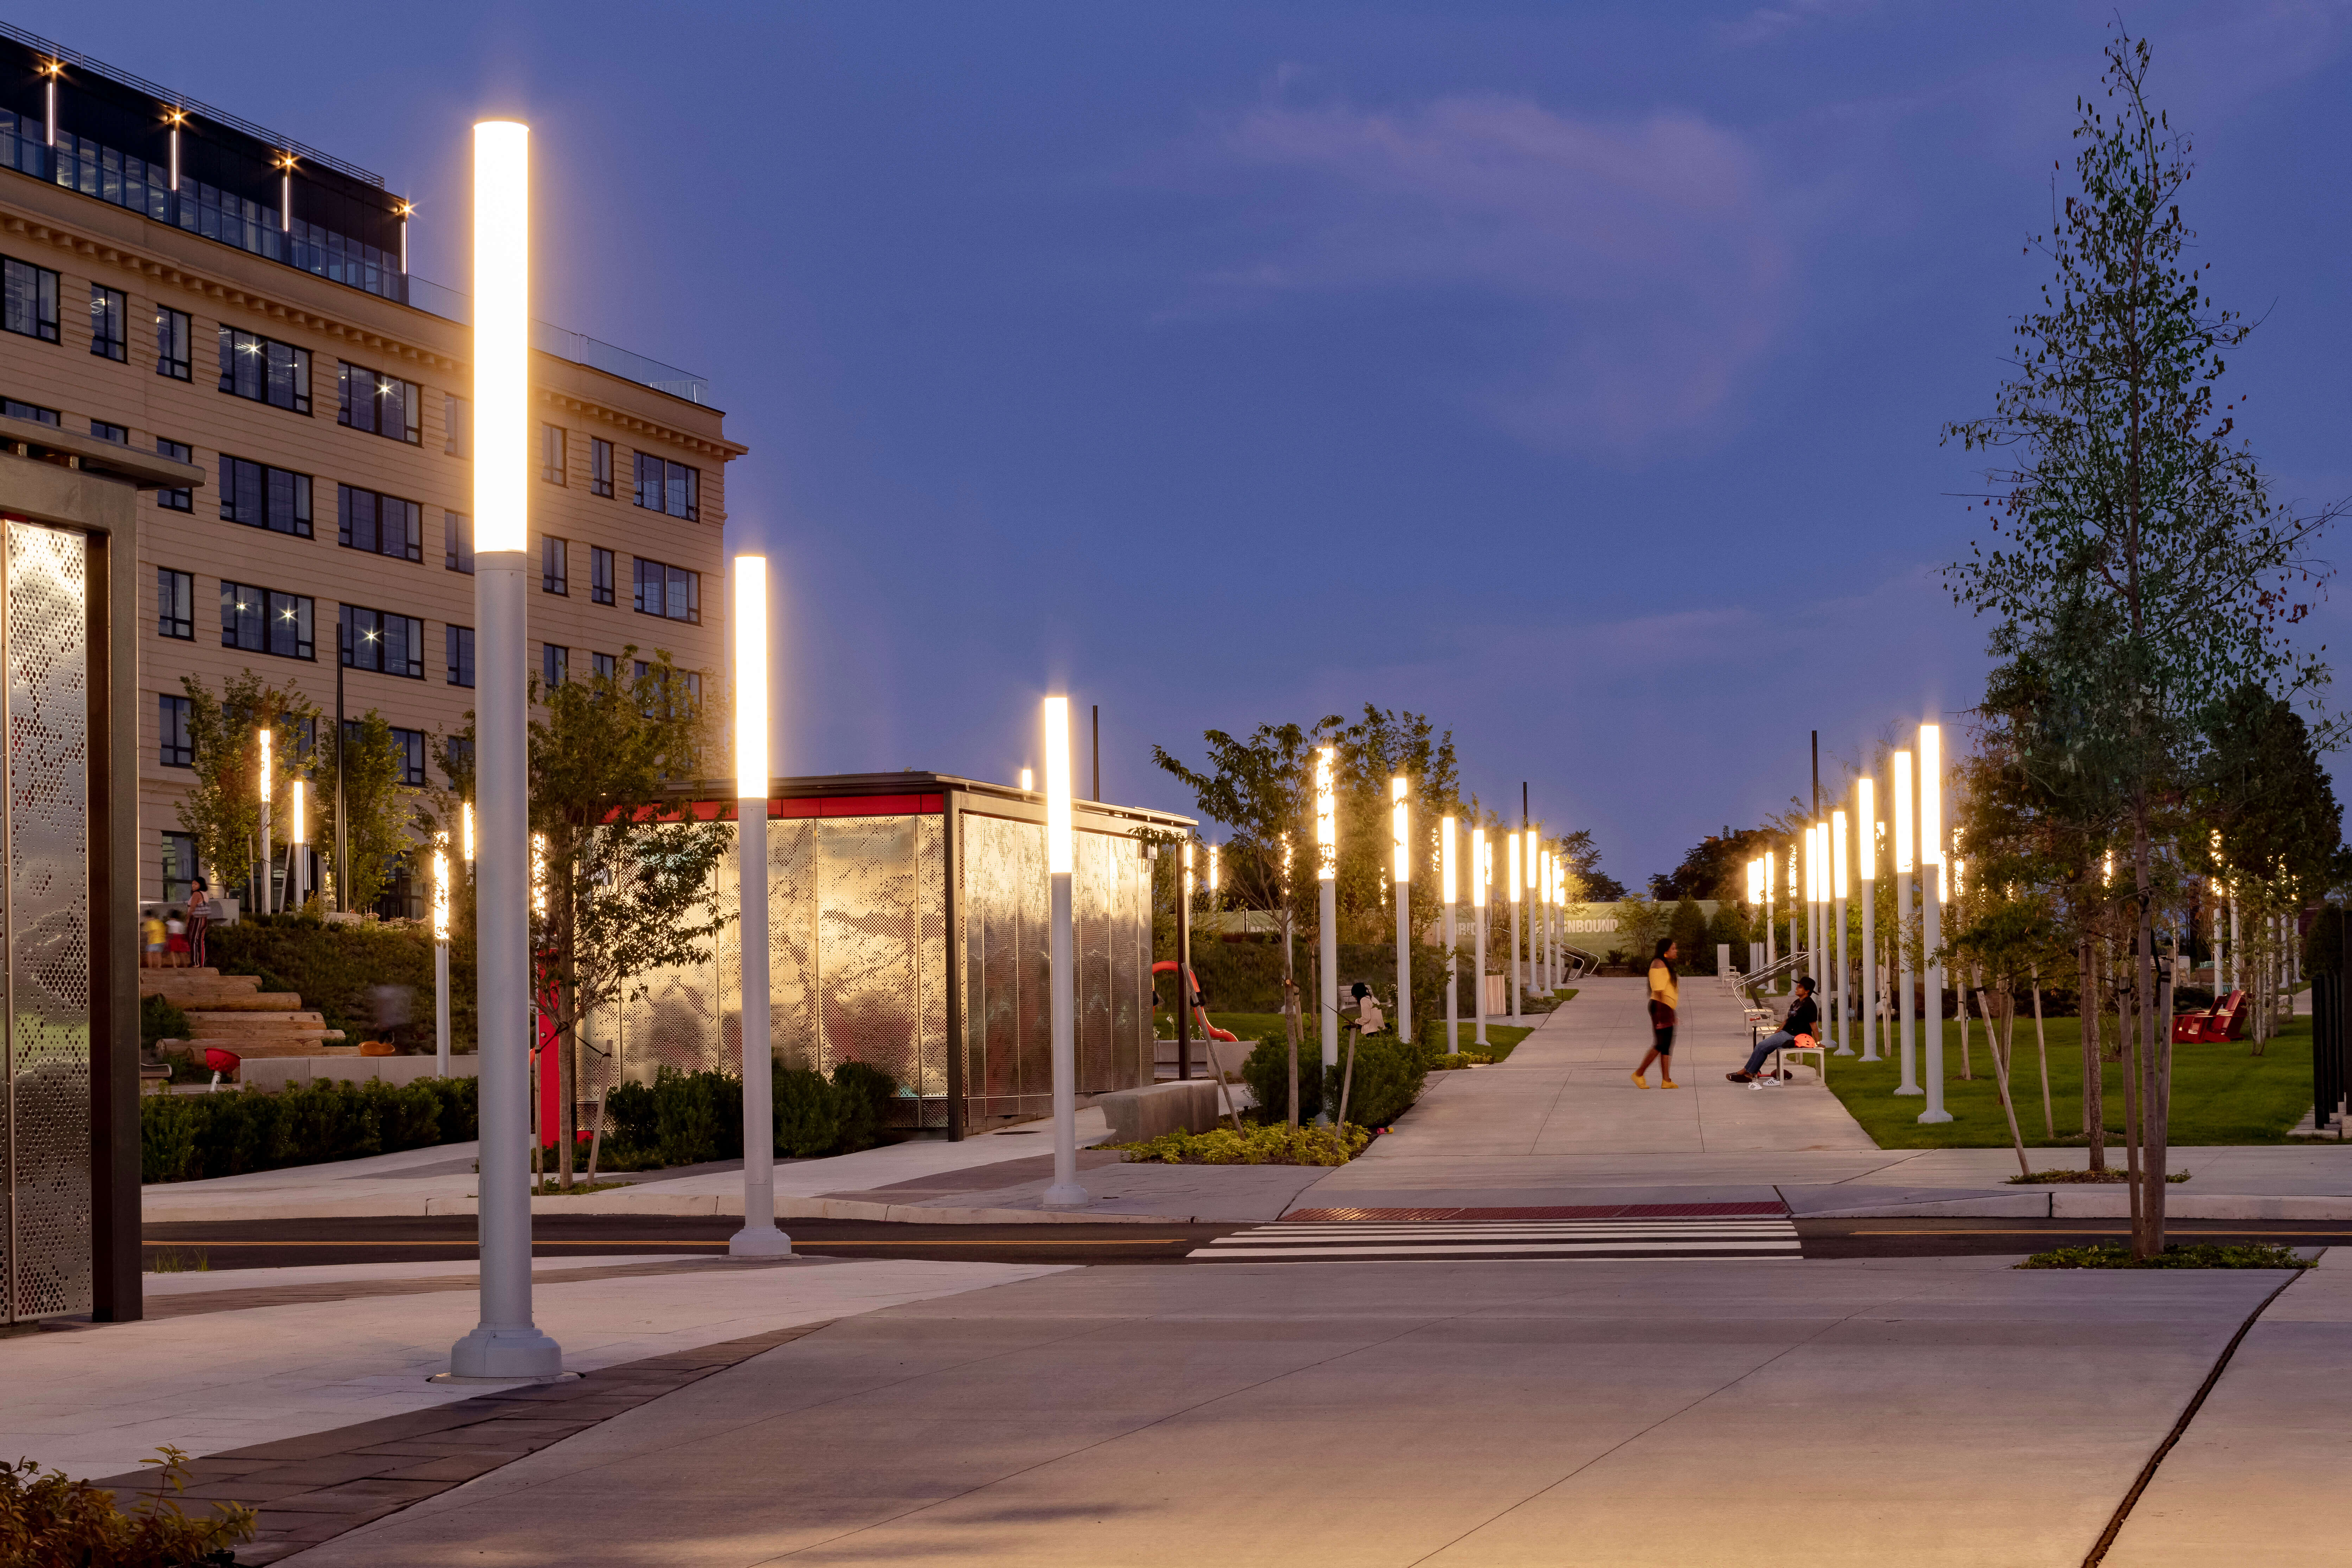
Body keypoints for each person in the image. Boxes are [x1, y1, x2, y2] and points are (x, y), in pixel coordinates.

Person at [1730, 977, 1821, 1085]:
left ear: (1807, 991)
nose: (1797, 988)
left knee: (1762, 1047)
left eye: (1800, 987)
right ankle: (1749, 1072)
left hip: (1795, 1036)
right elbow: (1788, 1019)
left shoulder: (1810, 1005)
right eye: (1797, 985)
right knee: (1763, 1047)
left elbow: (1814, 1025)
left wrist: (1819, 1043)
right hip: (1786, 1033)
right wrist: (1778, 1031)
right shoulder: (1797, 1003)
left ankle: (1748, 1073)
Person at [1633, 937, 1679, 1088]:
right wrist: (1662, 1015)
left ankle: (1667, 1080)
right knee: (1660, 1044)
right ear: (1665, 952)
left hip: (1666, 1008)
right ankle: (1639, 1074)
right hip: (1660, 1007)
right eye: (1673, 948)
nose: (1676, 951)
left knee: (1666, 1045)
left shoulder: (1664, 965)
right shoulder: (1658, 965)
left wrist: (1673, 1012)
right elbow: (1658, 991)